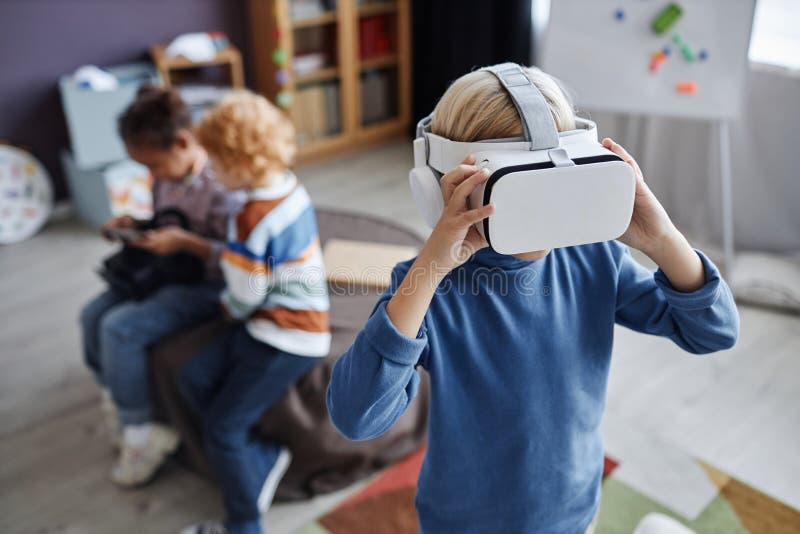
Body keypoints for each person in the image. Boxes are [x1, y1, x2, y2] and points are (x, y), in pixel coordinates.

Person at [326, 65, 740, 533]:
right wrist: (431, 269)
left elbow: (714, 331)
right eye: (519, 187)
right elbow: (357, 417)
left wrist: (662, 239)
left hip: (573, 510)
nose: (544, 214)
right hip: (463, 523)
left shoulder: (592, 254)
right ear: (440, 189)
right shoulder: (428, 286)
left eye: (555, 182)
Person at [179, 91, 330, 534]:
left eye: (216, 162)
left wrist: (228, 306)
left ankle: (244, 523)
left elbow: (246, 295)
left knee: (222, 431)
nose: (209, 169)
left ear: (242, 166)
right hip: (277, 319)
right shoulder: (290, 185)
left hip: (287, 335)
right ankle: (261, 458)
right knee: (193, 376)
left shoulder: (249, 217)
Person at [79, 86, 243, 487]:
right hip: (167, 267)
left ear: (184, 142)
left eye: (153, 165)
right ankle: (116, 398)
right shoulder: (165, 180)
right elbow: (166, 218)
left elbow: (245, 259)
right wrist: (135, 226)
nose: (150, 176)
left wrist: (187, 244)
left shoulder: (223, 187)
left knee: (120, 327)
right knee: (92, 315)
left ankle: (143, 432)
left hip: (210, 283)